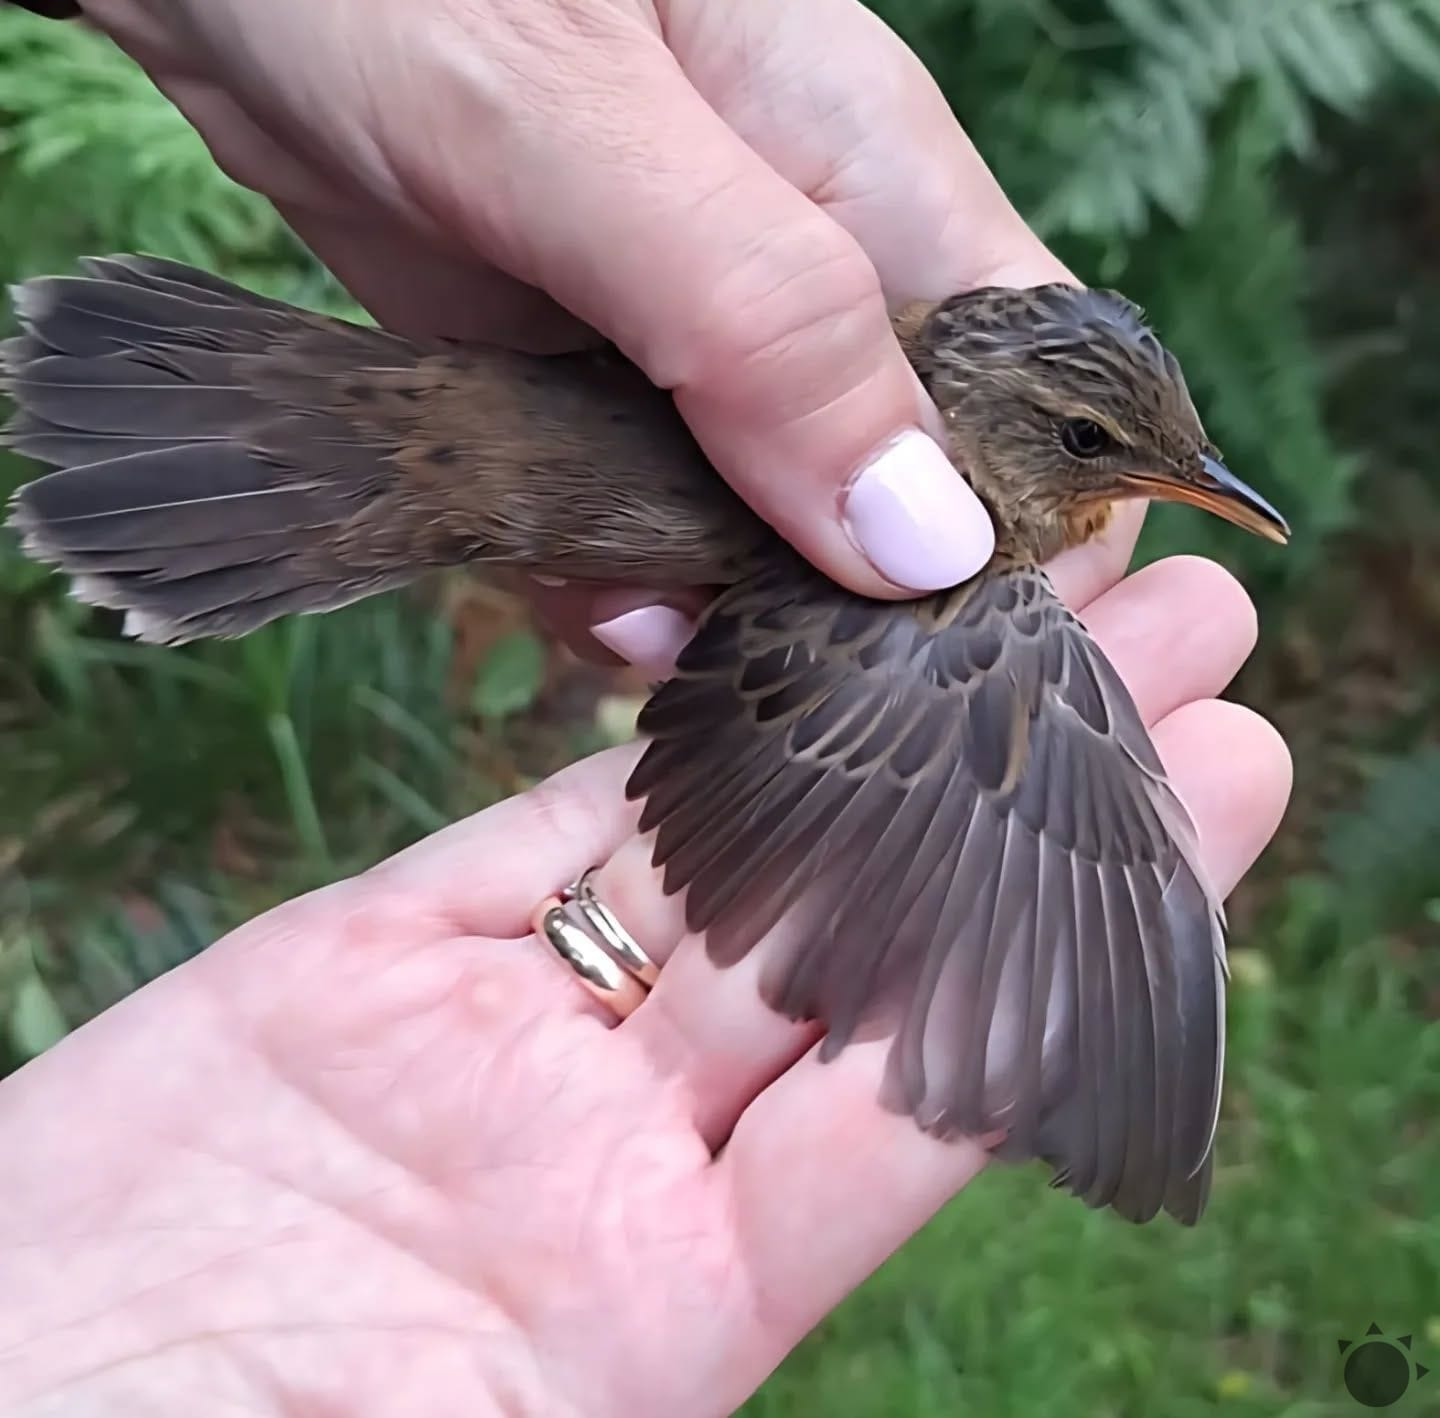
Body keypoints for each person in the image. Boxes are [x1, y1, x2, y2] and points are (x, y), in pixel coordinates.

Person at [0, 2, 1292, 1413]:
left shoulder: (937, 472)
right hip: (459, 448)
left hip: (433, 428)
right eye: (1089, 447)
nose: (1153, 480)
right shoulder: (970, 592)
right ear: (1001, 423)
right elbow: (1045, 818)